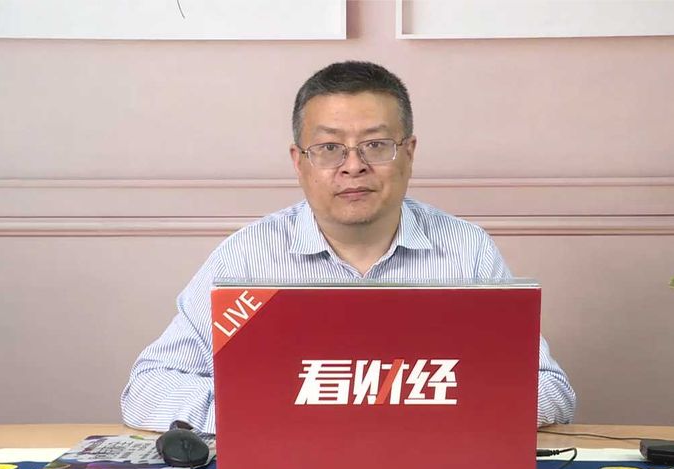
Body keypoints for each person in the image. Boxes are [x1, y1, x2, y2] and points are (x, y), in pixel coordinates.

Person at [121, 61, 576, 433]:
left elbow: (550, 389)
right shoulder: (245, 256)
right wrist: (271, 409)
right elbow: (146, 389)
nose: (353, 166)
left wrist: (416, 405)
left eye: (376, 145)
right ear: (299, 161)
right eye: (329, 148)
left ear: (409, 153)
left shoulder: (466, 250)